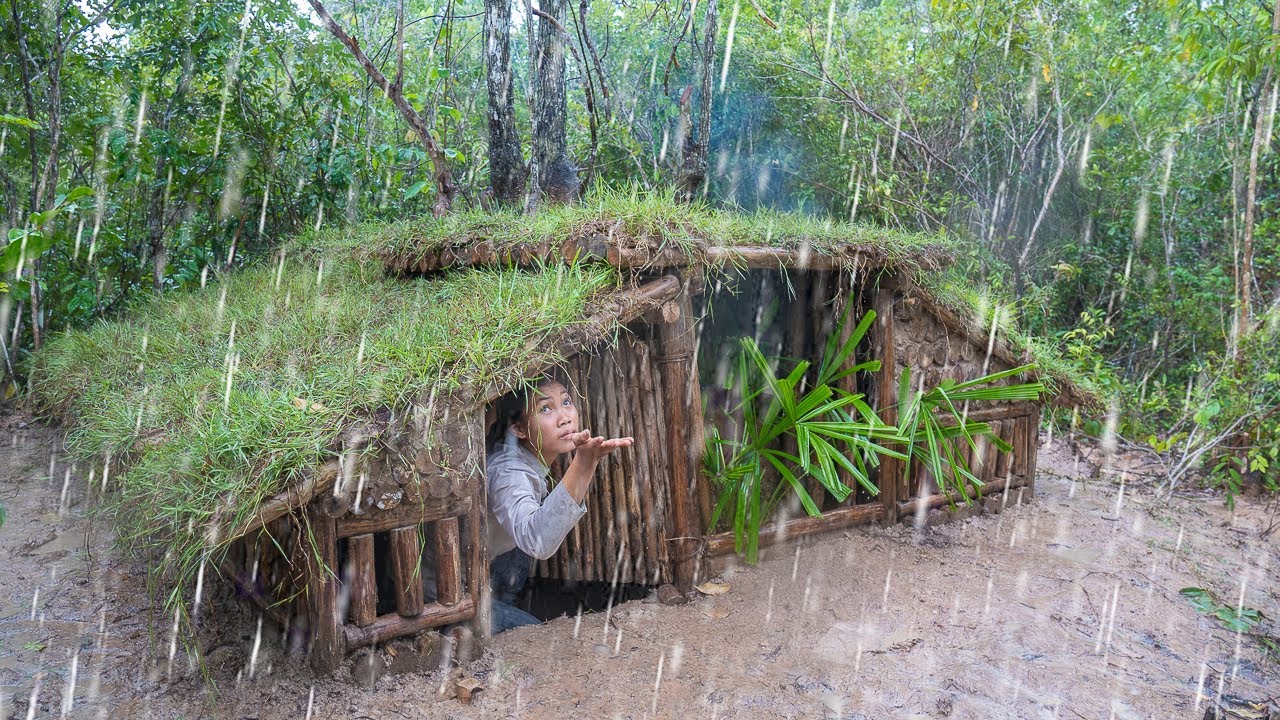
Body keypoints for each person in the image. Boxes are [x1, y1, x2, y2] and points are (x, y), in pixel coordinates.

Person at [485, 374, 632, 633]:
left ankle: (505, 605)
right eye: (545, 408)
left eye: (566, 402)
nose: (565, 417)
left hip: (491, 572)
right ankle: (477, 620)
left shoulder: (524, 457)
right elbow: (537, 541)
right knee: (539, 636)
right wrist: (584, 464)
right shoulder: (508, 473)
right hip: (452, 595)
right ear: (518, 428)